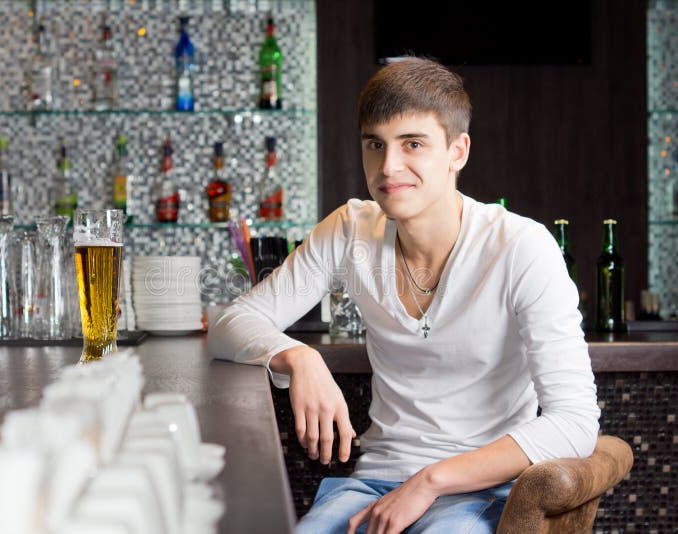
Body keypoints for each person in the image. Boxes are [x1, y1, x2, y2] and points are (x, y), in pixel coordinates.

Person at [207, 57, 600, 534]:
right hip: (375, 482)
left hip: (479, 491)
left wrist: (431, 481)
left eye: (413, 144)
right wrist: (297, 357)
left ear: (458, 151)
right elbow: (229, 324)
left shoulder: (521, 247)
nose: (389, 167)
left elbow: (575, 423)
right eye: (375, 144)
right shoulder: (352, 230)